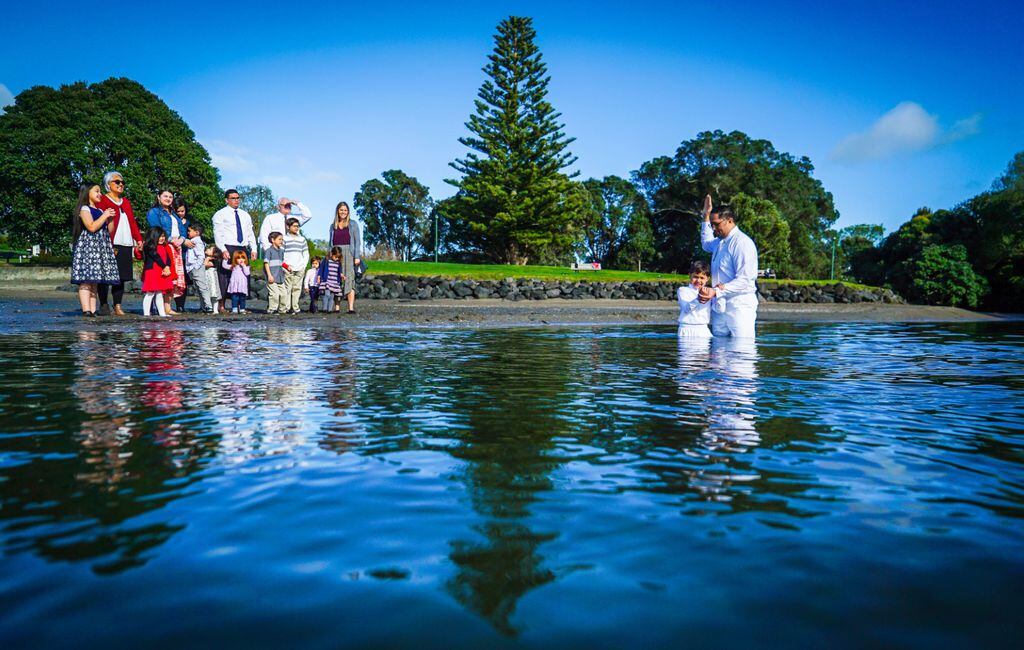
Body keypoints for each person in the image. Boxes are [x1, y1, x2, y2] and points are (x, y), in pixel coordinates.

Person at [699, 195, 759, 338]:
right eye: (712, 225)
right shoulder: (719, 242)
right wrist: (706, 216)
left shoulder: (742, 243)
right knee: (719, 352)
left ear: (729, 221)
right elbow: (706, 243)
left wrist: (716, 291)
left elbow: (745, 280)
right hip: (720, 305)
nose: (713, 228)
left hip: (740, 305)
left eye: (717, 224)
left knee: (741, 349)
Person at [95, 171, 142, 316]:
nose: (121, 184)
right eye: (117, 182)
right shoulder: (102, 200)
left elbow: (132, 222)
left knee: (121, 277)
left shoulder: (126, 202)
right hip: (109, 242)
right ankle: (103, 304)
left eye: (122, 182)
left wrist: (138, 239)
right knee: (105, 275)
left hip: (125, 243)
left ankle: (118, 305)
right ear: (108, 184)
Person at [70, 184, 121, 316]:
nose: (100, 194)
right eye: (96, 191)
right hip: (88, 248)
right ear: (87, 193)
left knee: (94, 282)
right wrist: (105, 215)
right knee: (86, 280)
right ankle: (86, 310)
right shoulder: (84, 208)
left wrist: (110, 219)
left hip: (99, 247)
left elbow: (109, 230)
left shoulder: (98, 210)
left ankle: (92, 310)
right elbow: (91, 226)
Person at [212, 189, 257, 312]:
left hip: (242, 247)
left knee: (242, 276)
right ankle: (222, 305)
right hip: (227, 246)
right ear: (227, 200)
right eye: (233, 198)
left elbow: (250, 232)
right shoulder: (220, 214)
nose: (236, 200)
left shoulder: (245, 214)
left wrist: (254, 248)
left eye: (238, 198)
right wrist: (222, 249)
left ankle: (239, 306)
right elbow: (218, 233)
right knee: (224, 276)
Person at [146, 190, 188, 314]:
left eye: (170, 197)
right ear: (159, 197)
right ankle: (157, 308)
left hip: (177, 248)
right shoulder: (154, 212)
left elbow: (182, 229)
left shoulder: (174, 214)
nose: (168, 198)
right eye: (165, 196)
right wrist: (170, 239)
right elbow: (156, 229)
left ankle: (167, 307)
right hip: (163, 246)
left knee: (172, 278)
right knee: (163, 275)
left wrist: (182, 239)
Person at [326, 202, 363, 314]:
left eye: (345, 210)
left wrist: (357, 257)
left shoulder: (353, 224)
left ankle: (350, 308)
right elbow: (330, 242)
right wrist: (329, 255)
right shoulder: (333, 226)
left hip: (349, 253)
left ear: (348, 212)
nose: (343, 212)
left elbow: (357, 242)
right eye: (341, 210)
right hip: (336, 253)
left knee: (350, 279)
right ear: (338, 211)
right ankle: (337, 307)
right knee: (336, 279)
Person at [141, 227, 175, 317]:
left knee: (159, 293)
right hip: (152, 271)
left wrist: (167, 266)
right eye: (160, 236)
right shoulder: (149, 247)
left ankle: (162, 313)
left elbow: (168, 259)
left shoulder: (163, 246)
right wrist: (165, 267)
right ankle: (146, 314)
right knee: (150, 293)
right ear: (154, 236)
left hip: (160, 271)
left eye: (163, 236)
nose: (162, 238)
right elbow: (156, 257)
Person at [677, 260, 714, 338]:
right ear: (690, 275)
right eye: (695, 277)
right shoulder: (683, 290)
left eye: (702, 278)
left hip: (703, 329)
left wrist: (720, 294)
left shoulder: (710, 292)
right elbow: (687, 309)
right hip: (686, 329)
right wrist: (699, 297)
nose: (698, 280)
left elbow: (719, 309)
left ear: (707, 278)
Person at [282, 217, 310, 314]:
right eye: (294, 226)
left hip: (300, 267)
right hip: (288, 267)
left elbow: (306, 254)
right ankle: (287, 307)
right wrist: (285, 265)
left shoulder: (302, 239)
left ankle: (295, 307)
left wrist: (303, 266)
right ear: (288, 227)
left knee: (297, 288)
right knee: (287, 288)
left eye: (297, 226)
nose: (296, 228)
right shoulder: (284, 239)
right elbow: (281, 253)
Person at [184, 224, 213, 313]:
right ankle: (203, 306)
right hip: (193, 268)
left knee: (202, 287)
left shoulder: (197, 242)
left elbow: (201, 256)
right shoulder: (193, 241)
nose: (188, 232)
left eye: (190, 231)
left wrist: (196, 267)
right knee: (199, 288)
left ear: (197, 232)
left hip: (196, 267)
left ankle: (208, 306)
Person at [173, 198, 196, 311]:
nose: (181, 213)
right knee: (175, 279)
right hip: (175, 252)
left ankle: (180, 305)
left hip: (186, 254)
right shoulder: (172, 220)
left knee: (184, 281)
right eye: (178, 211)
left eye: (183, 211)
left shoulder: (189, 221)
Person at [317, 246, 347, 312]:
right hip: (327, 281)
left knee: (332, 296)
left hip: (335, 282)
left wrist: (342, 276)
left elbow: (339, 271)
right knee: (327, 294)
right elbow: (321, 269)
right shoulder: (326, 260)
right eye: (335, 256)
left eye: (338, 257)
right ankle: (324, 308)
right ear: (331, 254)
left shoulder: (338, 262)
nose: (337, 258)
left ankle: (329, 309)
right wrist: (319, 277)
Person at [264, 232, 287, 314]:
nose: (281, 241)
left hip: (280, 277)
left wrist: (287, 267)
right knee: (275, 294)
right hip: (272, 277)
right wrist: (269, 275)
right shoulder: (269, 251)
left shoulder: (281, 251)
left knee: (284, 294)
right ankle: (272, 309)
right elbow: (266, 263)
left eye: (282, 239)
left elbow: (281, 263)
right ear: (273, 240)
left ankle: (282, 310)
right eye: (279, 239)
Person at [224, 249, 251, 314]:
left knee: (242, 298)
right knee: (234, 298)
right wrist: (226, 259)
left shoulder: (246, 267)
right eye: (238, 258)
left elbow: (247, 273)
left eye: (243, 258)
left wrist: (243, 266)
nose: (241, 259)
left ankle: (242, 309)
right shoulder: (234, 267)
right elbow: (224, 265)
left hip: (242, 286)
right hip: (235, 286)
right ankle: (234, 309)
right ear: (235, 259)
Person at [205, 245, 223, 314]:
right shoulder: (208, 258)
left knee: (214, 294)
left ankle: (215, 309)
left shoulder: (214, 261)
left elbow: (205, 265)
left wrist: (207, 259)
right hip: (207, 278)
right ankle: (209, 308)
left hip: (212, 279)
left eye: (210, 249)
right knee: (208, 294)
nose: (207, 249)